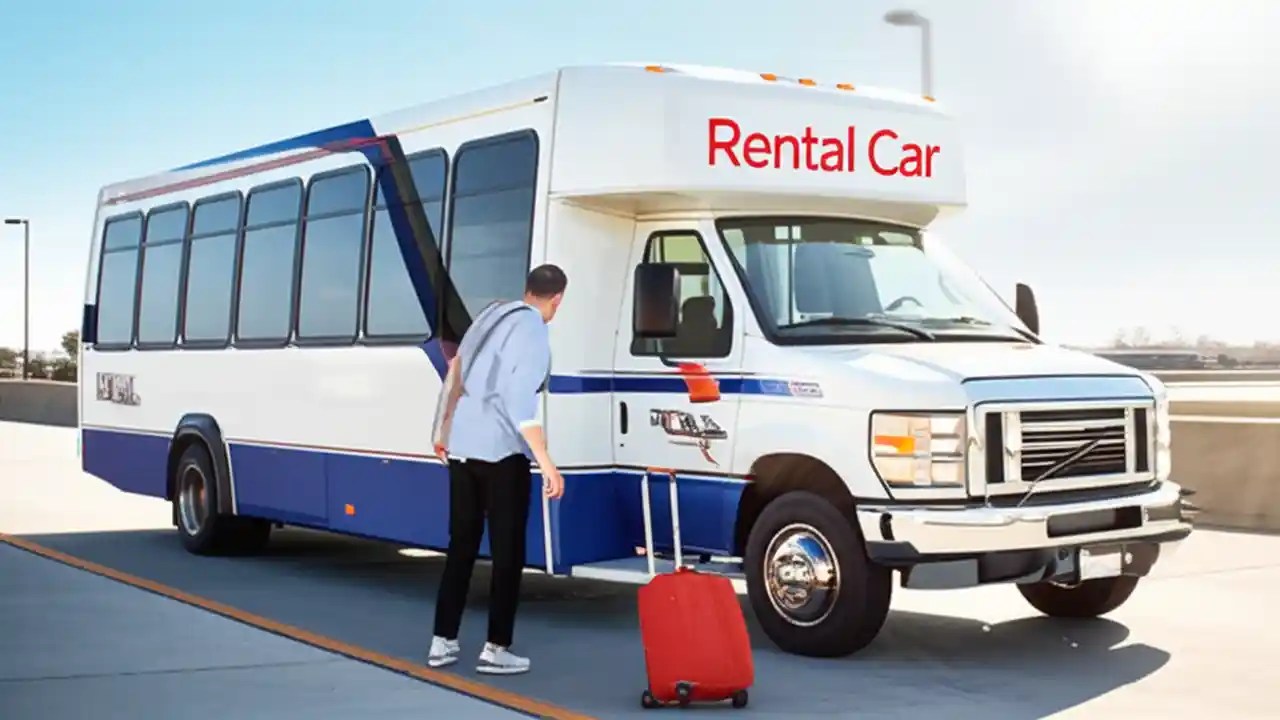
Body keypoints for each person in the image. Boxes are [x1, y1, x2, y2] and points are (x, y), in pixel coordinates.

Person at [427, 264, 568, 675]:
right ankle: (496, 649)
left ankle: (442, 641)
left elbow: (457, 367)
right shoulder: (534, 332)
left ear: (527, 290)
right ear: (557, 299)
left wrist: (443, 428)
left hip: (463, 448)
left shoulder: (492, 314)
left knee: (462, 546)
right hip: (501, 454)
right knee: (507, 554)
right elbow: (518, 401)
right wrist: (546, 463)